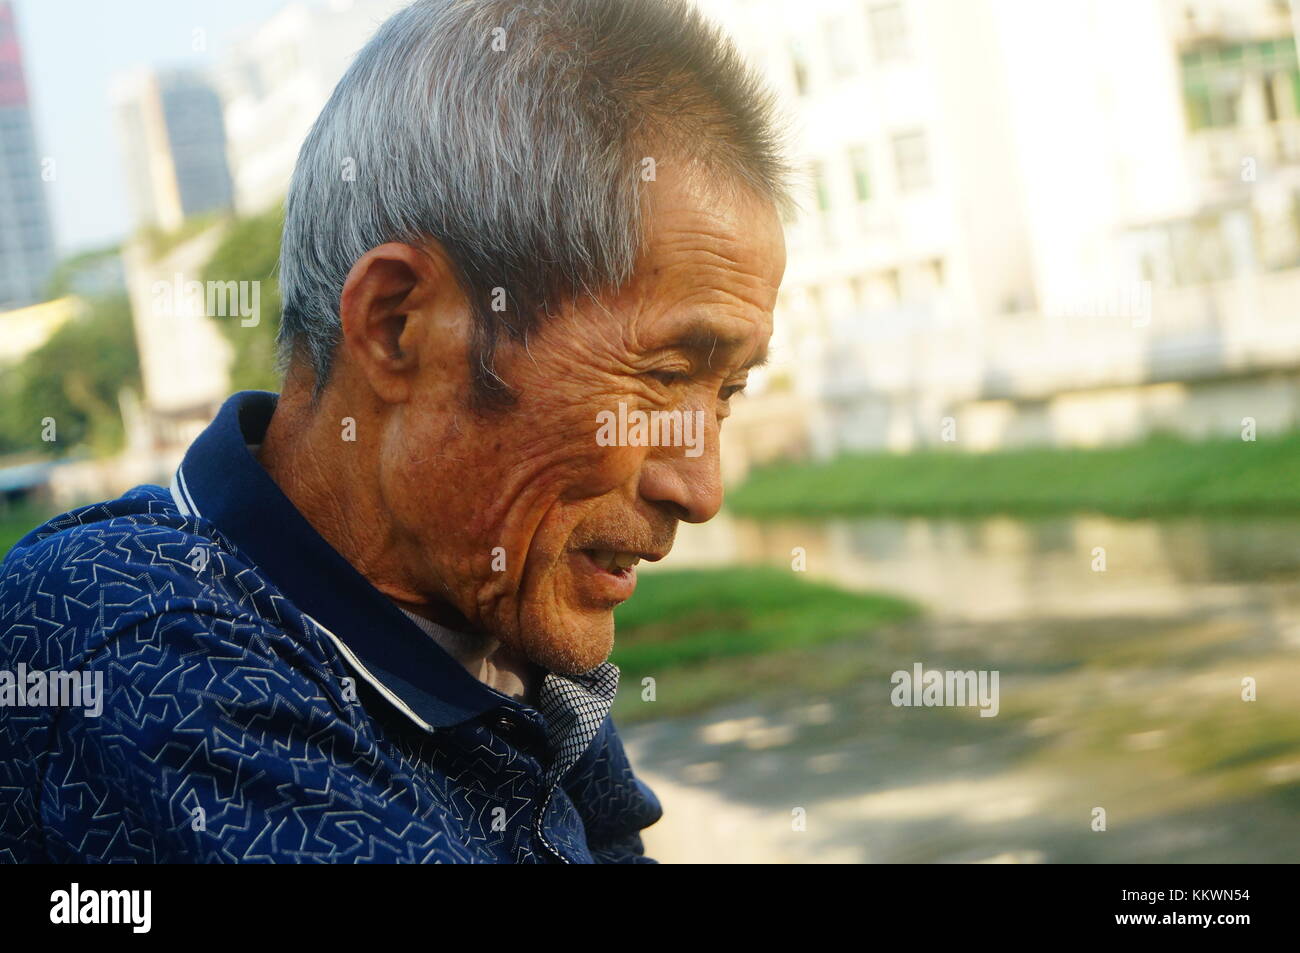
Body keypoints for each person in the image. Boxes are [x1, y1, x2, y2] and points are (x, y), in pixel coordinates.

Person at [0, 0, 789, 863]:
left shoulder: (508, 634)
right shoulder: (126, 623)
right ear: (397, 326)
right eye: (667, 376)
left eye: (727, 393)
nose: (702, 488)